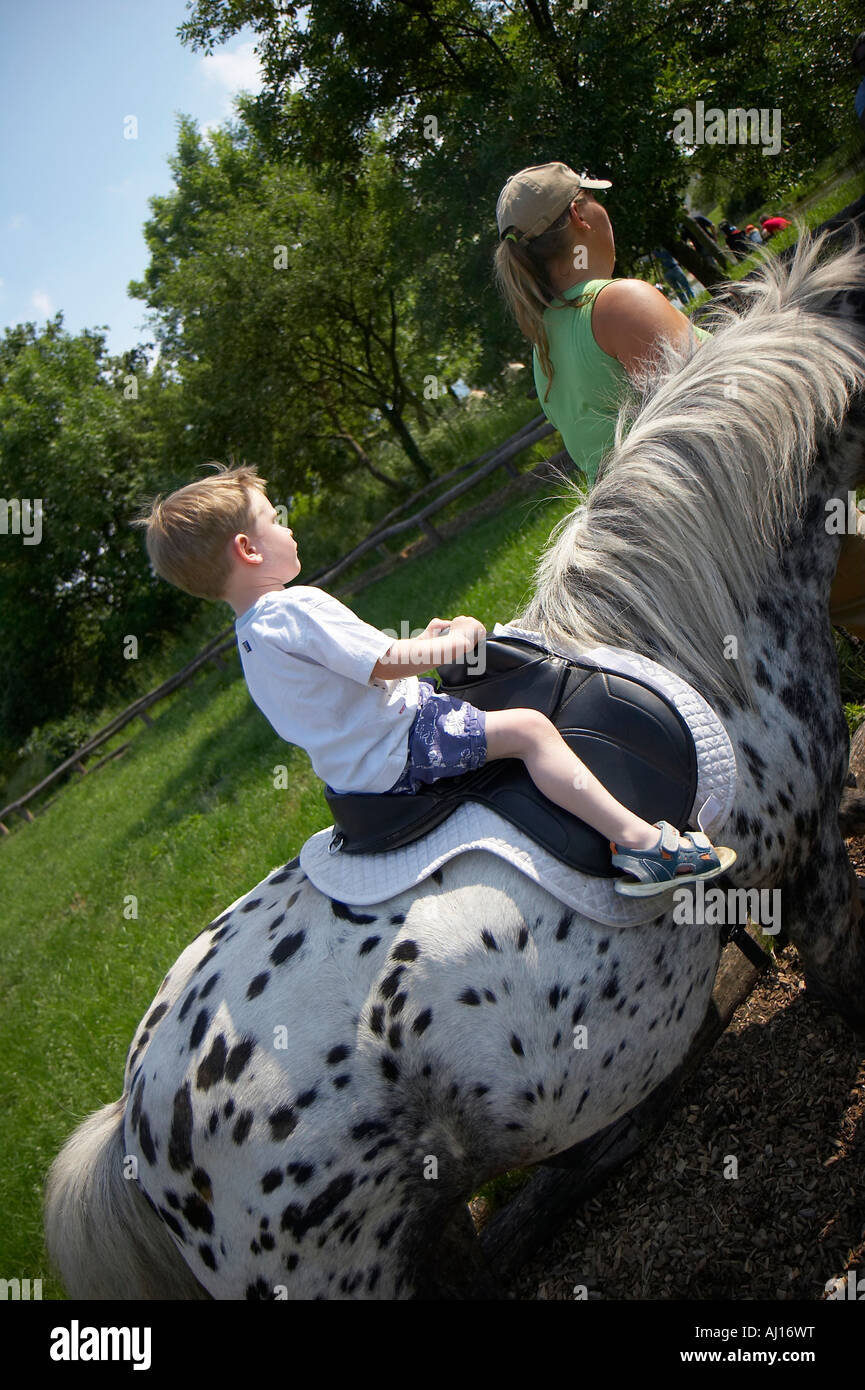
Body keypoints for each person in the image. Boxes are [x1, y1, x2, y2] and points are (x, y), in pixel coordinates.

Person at [133, 462, 735, 896]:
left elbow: (354, 678)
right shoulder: (295, 606)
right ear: (248, 548)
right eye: (275, 520)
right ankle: (641, 845)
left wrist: (424, 642)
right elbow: (384, 666)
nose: (289, 529)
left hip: (358, 777)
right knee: (529, 728)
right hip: (406, 743)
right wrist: (456, 642)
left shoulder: (250, 638)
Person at [494, 162, 712, 487]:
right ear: (577, 215)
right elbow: (720, 416)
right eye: (595, 199)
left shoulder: (543, 351)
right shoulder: (619, 304)